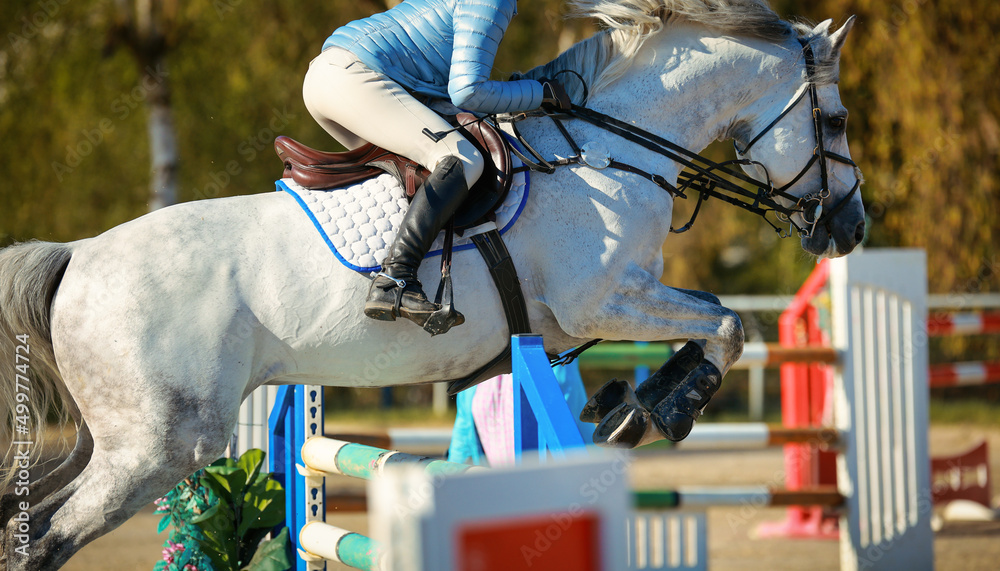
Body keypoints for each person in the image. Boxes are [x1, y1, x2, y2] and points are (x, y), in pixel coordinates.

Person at [303, 0, 570, 333]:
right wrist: (540, 93)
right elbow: (467, 91)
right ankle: (395, 279)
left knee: (419, 176)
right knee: (460, 159)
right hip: (354, 77)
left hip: (329, 76)